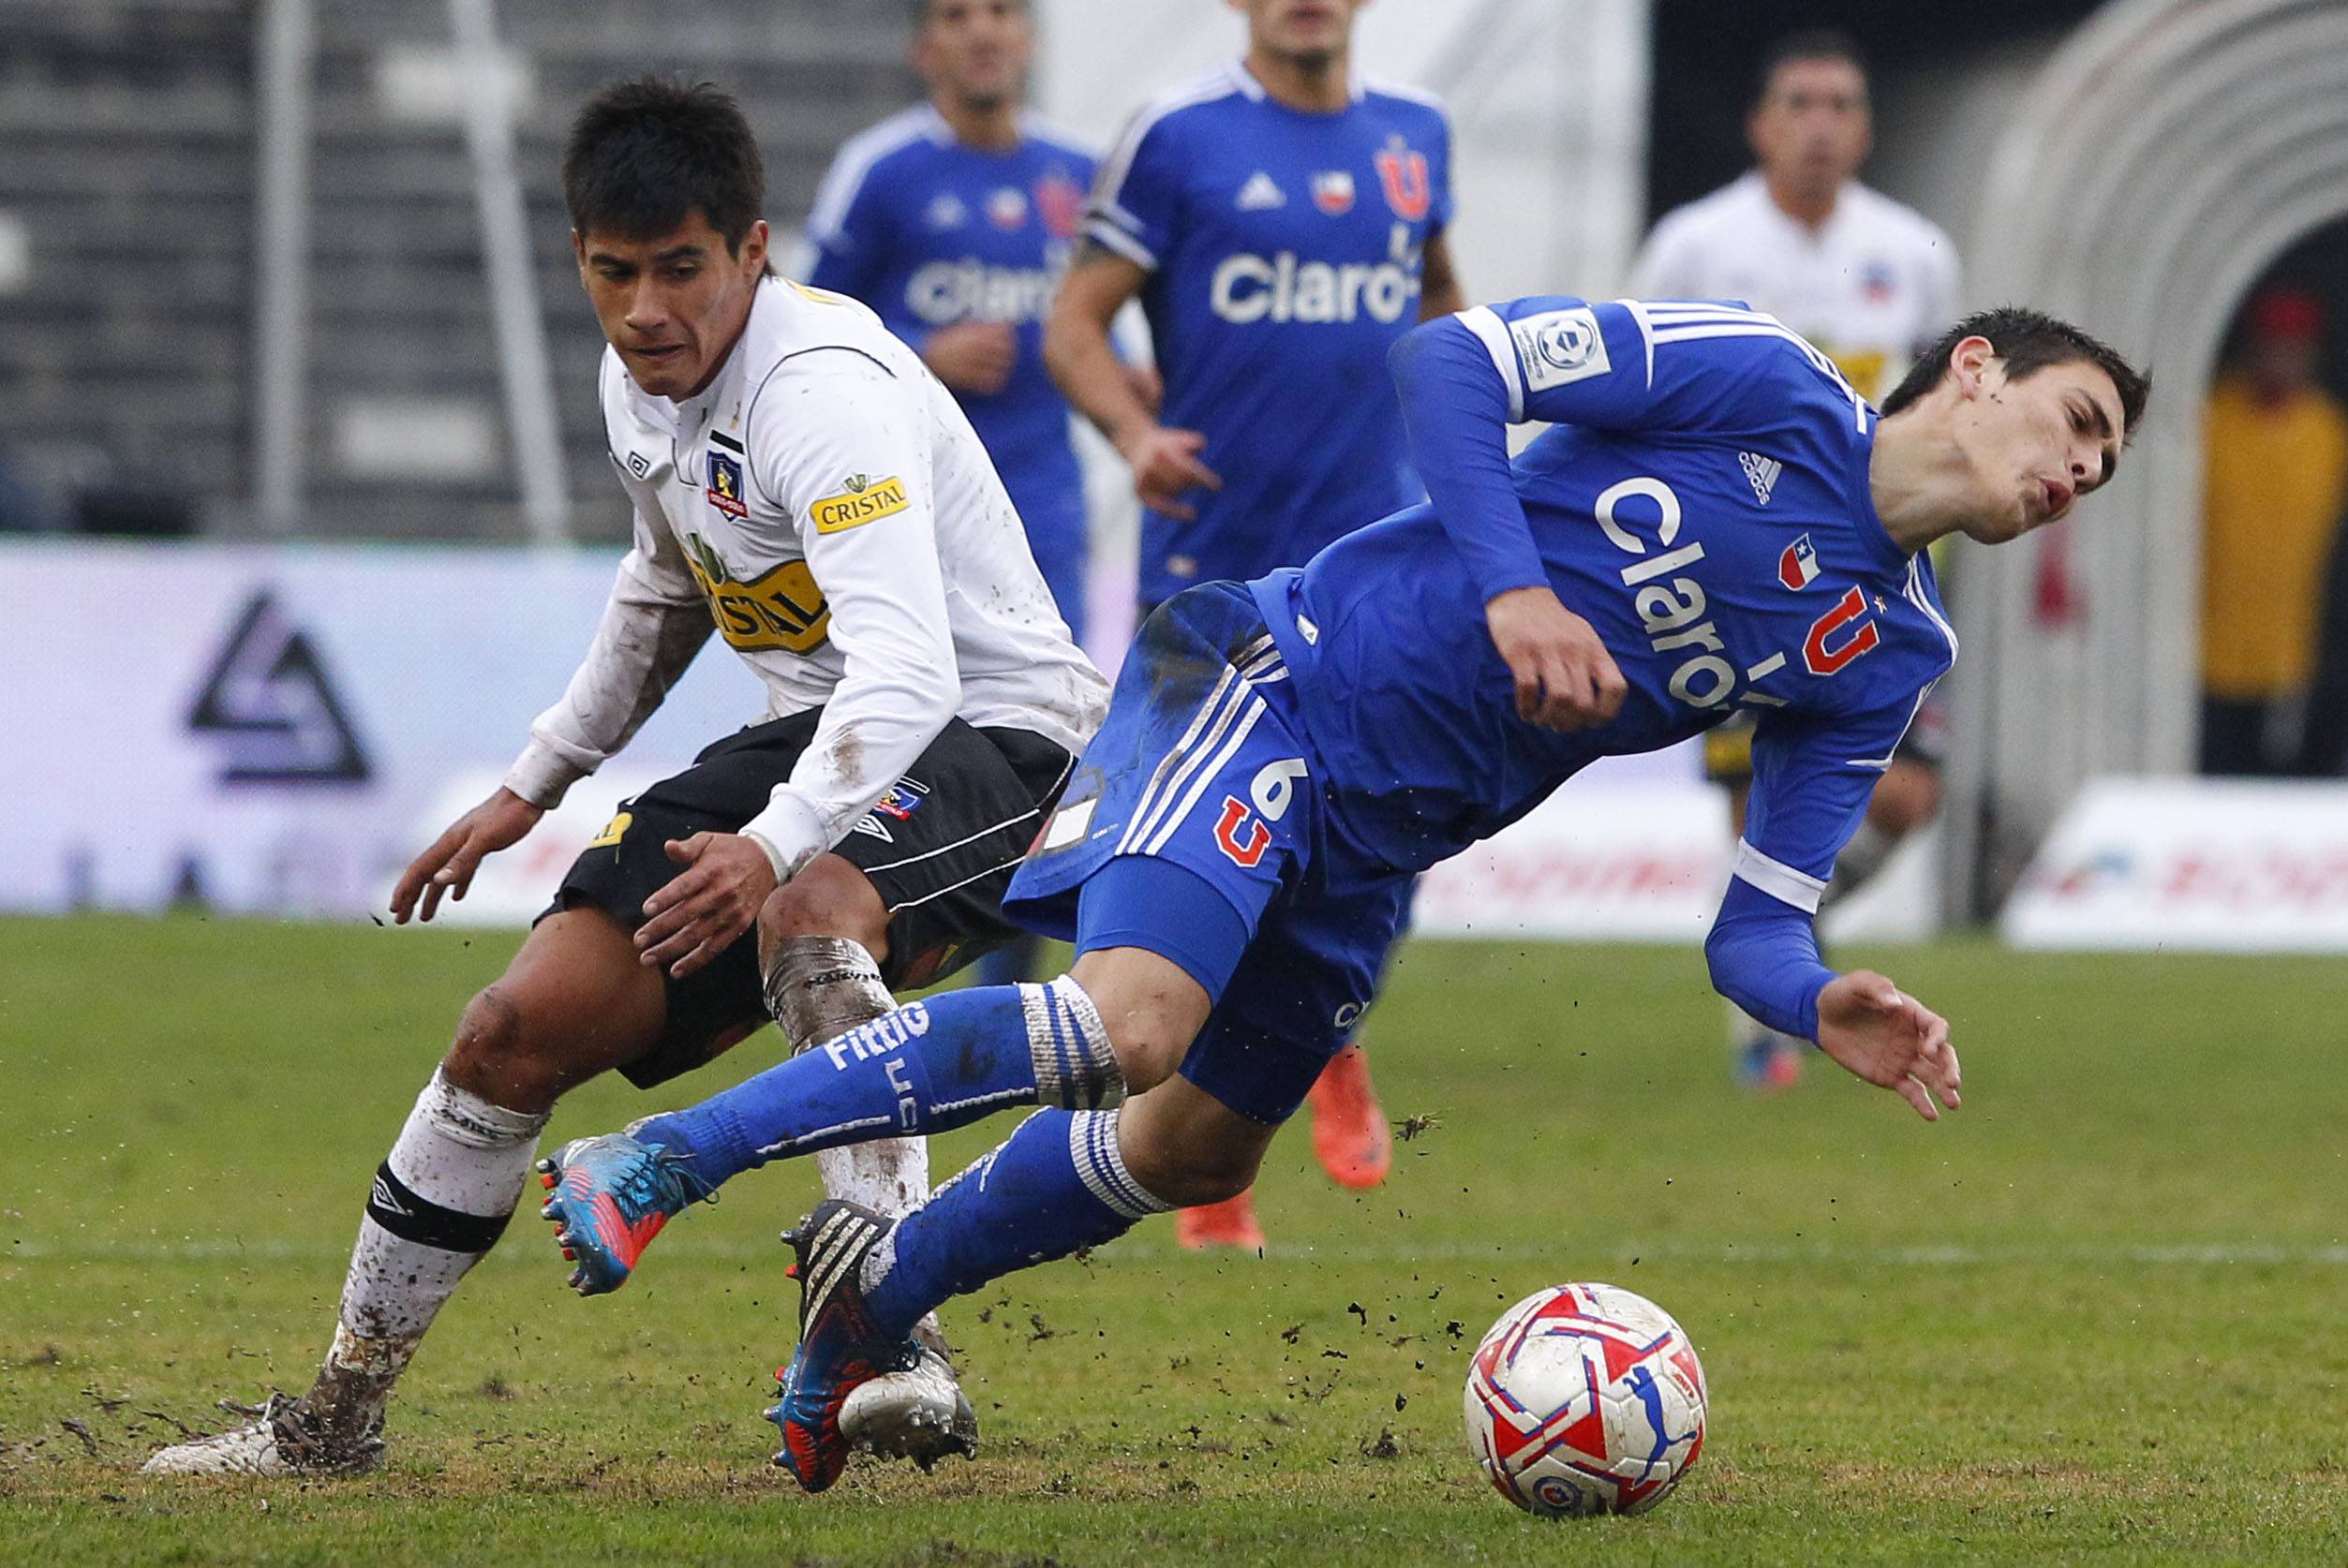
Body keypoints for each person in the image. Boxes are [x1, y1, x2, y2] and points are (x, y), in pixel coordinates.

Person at [540, 296, 2147, 1491]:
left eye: (2108, 465)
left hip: (1378, 843)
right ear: (1979, 367)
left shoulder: (1892, 649)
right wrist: (1517, 587)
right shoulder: (1772, 381)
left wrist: (1817, 995)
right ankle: (660, 1152)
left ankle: (863, 1309)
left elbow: (1754, 923)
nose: (2081, 468)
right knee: (1135, 1027)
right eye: (2076, 421)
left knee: (1188, 1146)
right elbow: (1453, 358)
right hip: (1272, 678)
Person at [141, 77, 1107, 1479]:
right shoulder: (638, 380)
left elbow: (913, 673)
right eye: (614, 273)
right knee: (511, 1027)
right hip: (823, 735)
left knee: (814, 905)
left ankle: (901, 1339)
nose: (647, 308)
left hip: (999, 731)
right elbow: (668, 590)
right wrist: (535, 782)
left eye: (681, 270)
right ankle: (331, 1421)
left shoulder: (818, 396)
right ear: (581, 261)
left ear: (754, 253)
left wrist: (772, 842)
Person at [1042, 0, 1465, 1250]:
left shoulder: (1416, 134)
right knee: (1197, 856)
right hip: (1214, 571)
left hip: (1371, 567)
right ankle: (1211, 1170)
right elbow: (1075, 321)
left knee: (1389, 838)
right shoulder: (1177, 136)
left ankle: (1329, 1039)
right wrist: (1133, 431)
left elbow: (1443, 307)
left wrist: (1467, 459)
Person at [1628, 29, 1960, 1090]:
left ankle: (1774, 937)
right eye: (1800, 103)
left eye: (1840, 105)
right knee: (1754, 788)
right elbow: (1636, 377)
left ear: (1864, 128)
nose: (1820, 124)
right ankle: (1769, 1017)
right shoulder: (1699, 244)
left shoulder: (1912, 253)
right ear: (1761, 124)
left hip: (1880, 571)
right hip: (1740, 559)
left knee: (1910, 794)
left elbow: (1948, 410)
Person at [794, 0, 1117, 992]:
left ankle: (1009, 990)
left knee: (1042, 756)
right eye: (959, 16)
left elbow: (1105, 337)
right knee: (906, 742)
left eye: (1003, 14)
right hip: (902, 522)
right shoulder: (884, 172)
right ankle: (843, 954)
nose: (983, 34)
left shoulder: (1078, 176)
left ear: (1027, 40)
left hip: (1041, 523)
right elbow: (802, 327)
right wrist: (921, 349)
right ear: (923, 47)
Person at [2197, 285, 2348, 775]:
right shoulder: (2211, 420)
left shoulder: (2330, 434)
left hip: (2289, 659)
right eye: (2271, 345)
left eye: (2294, 348)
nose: (2281, 359)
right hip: (2204, 653)